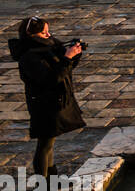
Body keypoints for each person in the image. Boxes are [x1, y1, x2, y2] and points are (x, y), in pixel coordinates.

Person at [9, 16, 84, 177]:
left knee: (49, 144)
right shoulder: (29, 56)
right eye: (44, 33)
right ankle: (43, 189)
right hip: (43, 104)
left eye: (48, 32)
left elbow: (65, 70)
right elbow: (51, 78)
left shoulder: (48, 47)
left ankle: (52, 182)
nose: (49, 36)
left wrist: (75, 54)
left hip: (55, 101)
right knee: (44, 145)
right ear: (31, 34)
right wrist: (67, 58)